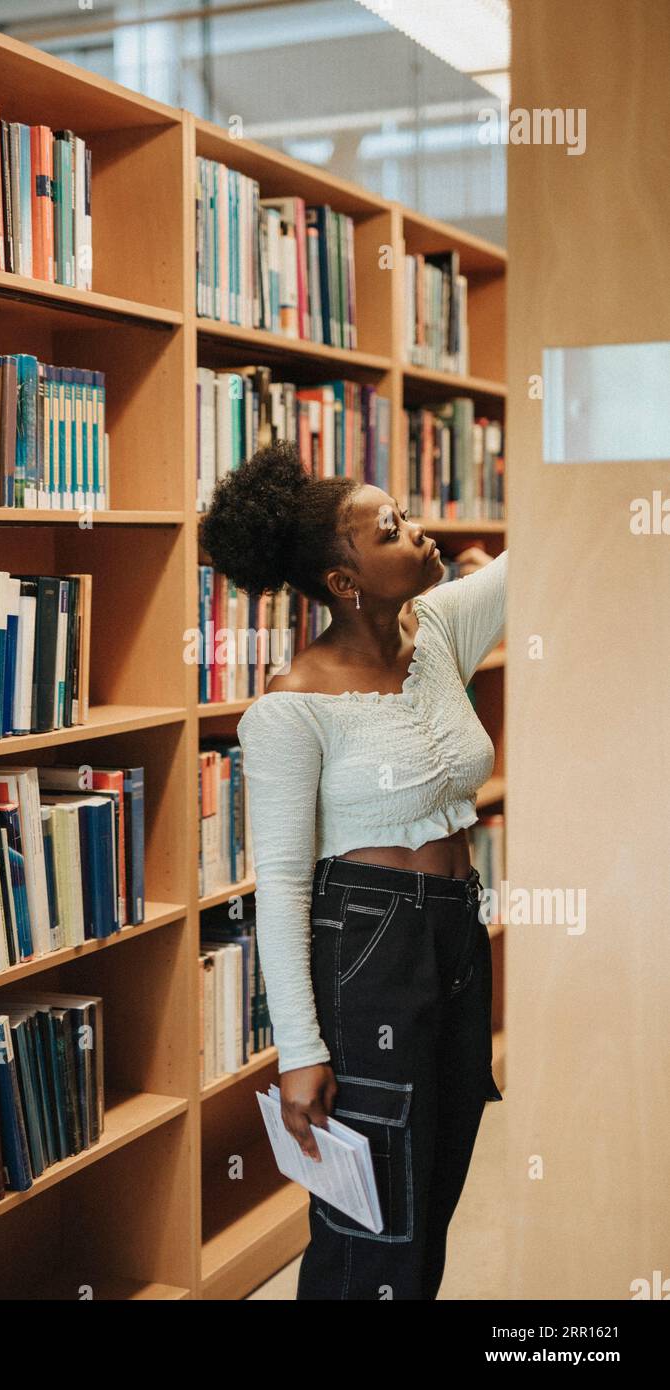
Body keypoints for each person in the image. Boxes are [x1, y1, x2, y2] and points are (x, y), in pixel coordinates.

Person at [199, 439, 506, 1301]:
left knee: (432, 1191)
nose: (416, 532)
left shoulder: (440, 628)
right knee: (378, 1222)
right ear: (345, 581)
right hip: (367, 942)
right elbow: (284, 888)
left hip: (454, 929)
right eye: (390, 529)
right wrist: (299, 1052)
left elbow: (545, 552)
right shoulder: (291, 707)